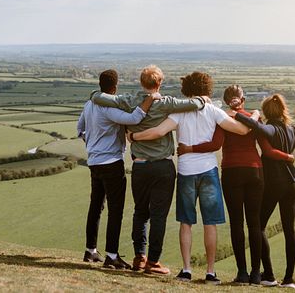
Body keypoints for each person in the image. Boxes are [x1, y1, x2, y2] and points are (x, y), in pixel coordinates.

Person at [127, 72, 253, 284]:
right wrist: (255, 116)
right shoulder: (214, 110)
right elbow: (241, 130)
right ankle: (210, 272)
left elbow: (158, 132)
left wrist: (134, 136)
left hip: (186, 171)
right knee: (210, 223)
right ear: (207, 88)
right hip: (208, 170)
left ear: (187, 89)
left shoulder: (181, 112)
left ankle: (186, 270)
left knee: (186, 222)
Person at [90, 65, 207, 275]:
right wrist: (202, 100)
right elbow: (194, 104)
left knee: (140, 213)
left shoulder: (129, 100)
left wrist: (94, 93)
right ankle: (153, 261)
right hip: (163, 166)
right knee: (159, 216)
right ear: (159, 83)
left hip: (140, 167)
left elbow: (97, 97)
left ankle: (139, 258)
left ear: (141, 82)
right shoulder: (166, 103)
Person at [178, 85, 294, 285]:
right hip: (254, 171)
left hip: (232, 171)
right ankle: (256, 274)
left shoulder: (222, 118)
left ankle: (242, 273)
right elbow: (265, 148)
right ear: (243, 99)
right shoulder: (253, 117)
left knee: (237, 223)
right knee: (255, 224)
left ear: (225, 100)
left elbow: (215, 145)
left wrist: (189, 148)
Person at [233, 94, 295, 288]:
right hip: (292, 183)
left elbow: (255, 126)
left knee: (259, 226)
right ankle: (289, 279)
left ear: (266, 112)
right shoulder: (293, 130)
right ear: (283, 110)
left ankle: (270, 275)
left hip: (272, 184)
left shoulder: (270, 130)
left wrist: (236, 112)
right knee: (289, 229)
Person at [76, 69, 158, 269]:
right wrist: (151, 98)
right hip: (111, 163)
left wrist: (92, 145)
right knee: (116, 210)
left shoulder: (89, 104)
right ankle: (112, 256)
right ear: (114, 87)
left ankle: (90, 251)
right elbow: (134, 119)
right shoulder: (107, 107)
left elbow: (80, 129)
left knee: (95, 207)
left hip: (94, 163)